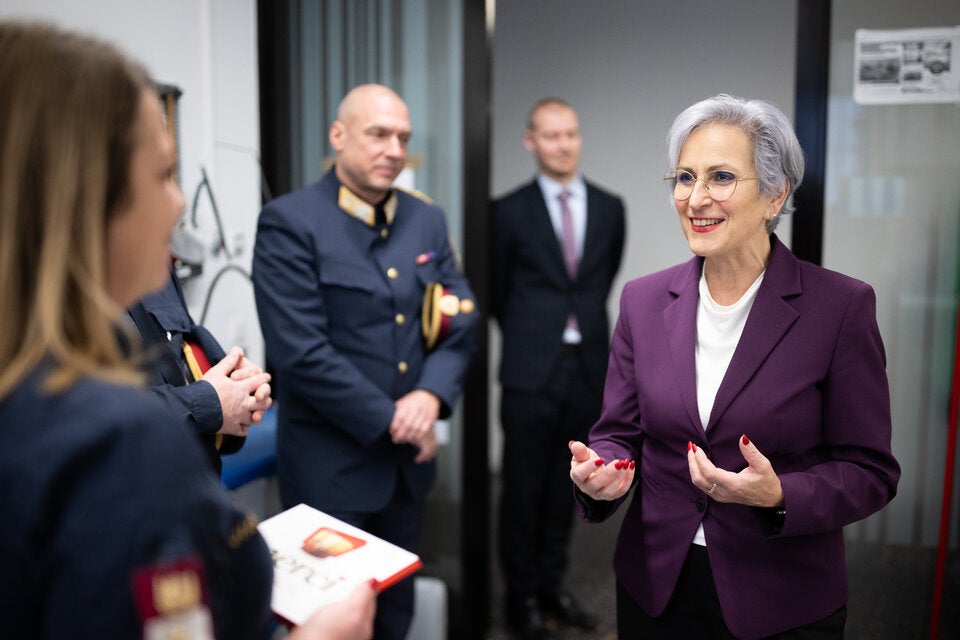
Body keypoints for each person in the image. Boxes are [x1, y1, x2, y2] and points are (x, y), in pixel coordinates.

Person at [0, 22, 375, 639]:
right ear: (89, 198)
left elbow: (181, 348)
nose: (179, 204)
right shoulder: (118, 449)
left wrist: (226, 390)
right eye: (165, 175)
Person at [569, 94, 901, 639]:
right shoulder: (642, 301)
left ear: (775, 194)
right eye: (684, 177)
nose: (695, 198)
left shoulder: (839, 308)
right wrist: (602, 472)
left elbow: (871, 472)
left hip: (781, 595)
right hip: (656, 586)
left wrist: (779, 494)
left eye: (721, 177)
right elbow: (618, 433)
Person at [252, 83, 477, 639]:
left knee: (393, 616)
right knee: (332, 623)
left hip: (406, 473)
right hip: (332, 469)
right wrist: (397, 420)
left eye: (402, 136)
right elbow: (300, 353)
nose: (394, 149)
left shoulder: (425, 220)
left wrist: (429, 397)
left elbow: (459, 317)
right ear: (338, 136)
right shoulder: (291, 221)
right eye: (379, 134)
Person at [491, 97, 625, 638]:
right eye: (550, 135)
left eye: (570, 133)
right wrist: (534, 334)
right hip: (529, 372)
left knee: (569, 487)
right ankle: (518, 598)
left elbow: (600, 282)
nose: (562, 144)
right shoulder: (505, 212)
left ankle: (553, 585)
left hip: (587, 367)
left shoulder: (611, 208)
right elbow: (498, 291)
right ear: (531, 141)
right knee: (522, 491)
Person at [128, 267, 272, 474]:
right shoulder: (72, 285)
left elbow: (184, 356)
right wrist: (208, 403)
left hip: (196, 479)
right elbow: (98, 416)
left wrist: (240, 389)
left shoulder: (159, 261)